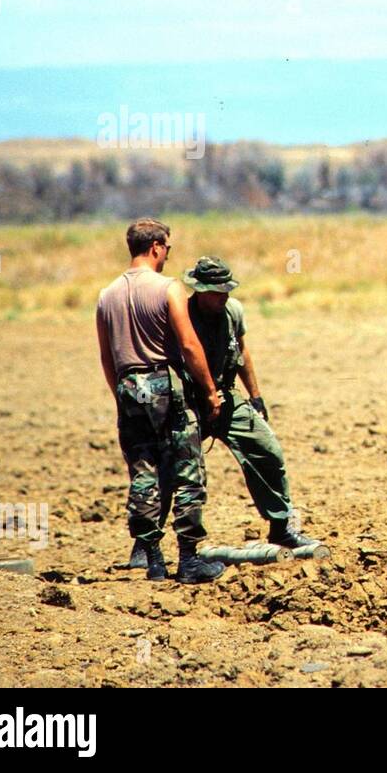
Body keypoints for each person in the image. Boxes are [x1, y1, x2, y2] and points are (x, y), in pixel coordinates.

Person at [95, 218, 225, 584]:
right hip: (164, 382)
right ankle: (188, 559)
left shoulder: (107, 295)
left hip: (127, 386)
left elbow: (107, 358)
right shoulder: (169, 288)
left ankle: (152, 557)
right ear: (155, 248)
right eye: (167, 248)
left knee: (143, 471)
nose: (168, 254)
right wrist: (210, 391)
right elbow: (188, 344)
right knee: (187, 471)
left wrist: (121, 394)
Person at [182, 256, 320, 550]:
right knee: (177, 470)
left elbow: (242, 353)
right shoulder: (181, 315)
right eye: (216, 292)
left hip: (228, 398)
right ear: (199, 289)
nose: (223, 297)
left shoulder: (233, 311)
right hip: (191, 402)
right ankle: (148, 543)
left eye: (226, 290)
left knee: (267, 450)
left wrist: (256, 396)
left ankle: (281, 527)